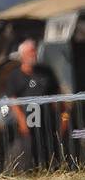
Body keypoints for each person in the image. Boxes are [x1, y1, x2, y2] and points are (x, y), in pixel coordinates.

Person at [5, 38, 63, 170]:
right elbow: (12, 100)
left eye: (34, 51)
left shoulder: (46, 71)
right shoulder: (14, 76)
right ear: (22, 55)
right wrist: (22, 122)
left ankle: (52, 169)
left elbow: (57, 94)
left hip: (48, 120)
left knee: (50, 149)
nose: (34, 54)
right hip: (28, 121)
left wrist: (62, 116)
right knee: (29, 151)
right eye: (31, 52)